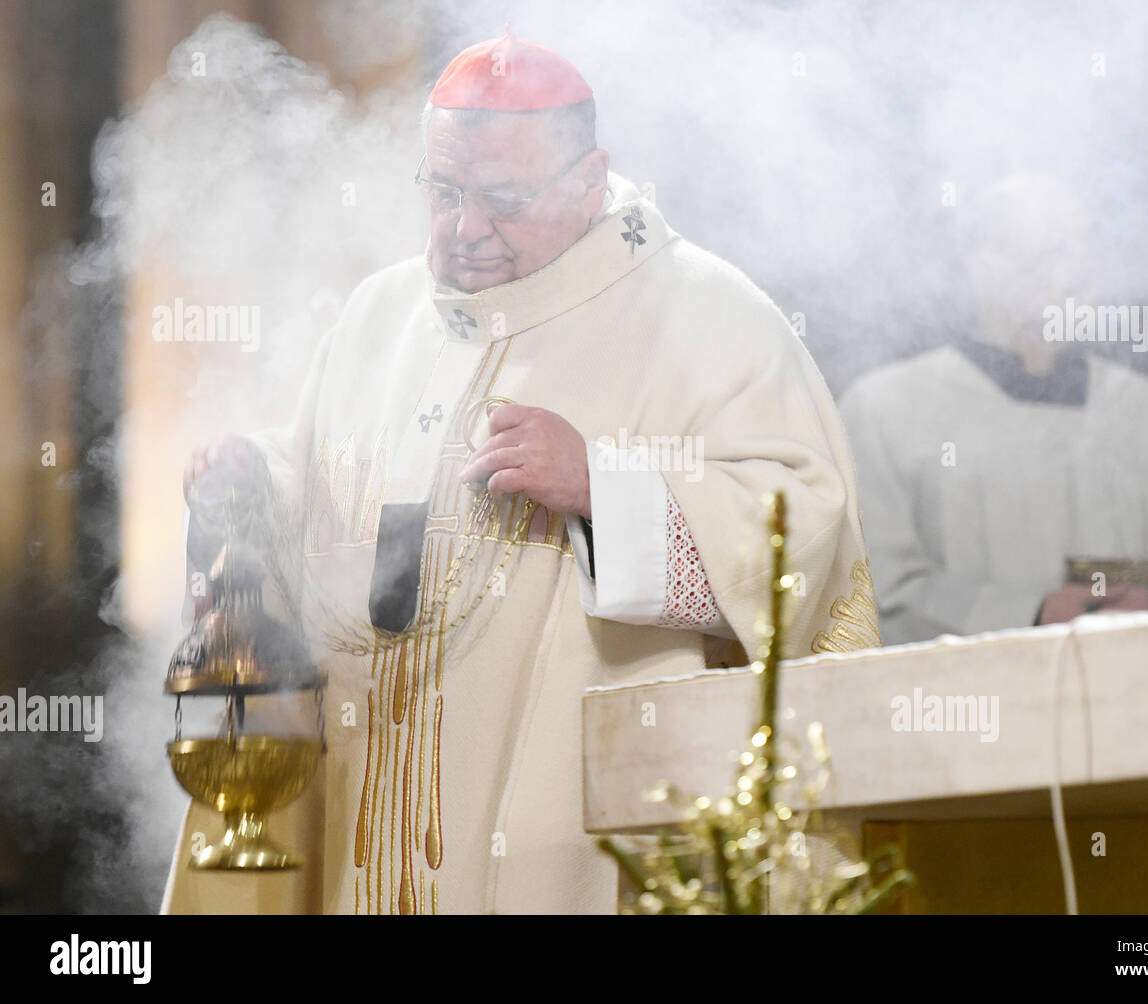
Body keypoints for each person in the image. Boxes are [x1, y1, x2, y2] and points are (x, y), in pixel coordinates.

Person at [162, 30, 878, 915]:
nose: (466, 228)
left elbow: (804, 546)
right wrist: (251, 481)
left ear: (589, 178)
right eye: (444, 191)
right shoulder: (379, 315)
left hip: (572, 843)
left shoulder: (710, 317)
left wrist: (604, 489)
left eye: (503, 199)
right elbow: (330, 488)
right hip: (360, 810)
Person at [839, 173, 1148, 646]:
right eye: (1053, 247)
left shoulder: (1147, 410)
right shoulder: (884, 409)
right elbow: (869, 589)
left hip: (1137, 696)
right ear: (980, 266)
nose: (1079, 268)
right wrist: (1031, 613)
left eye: (1082, 247)